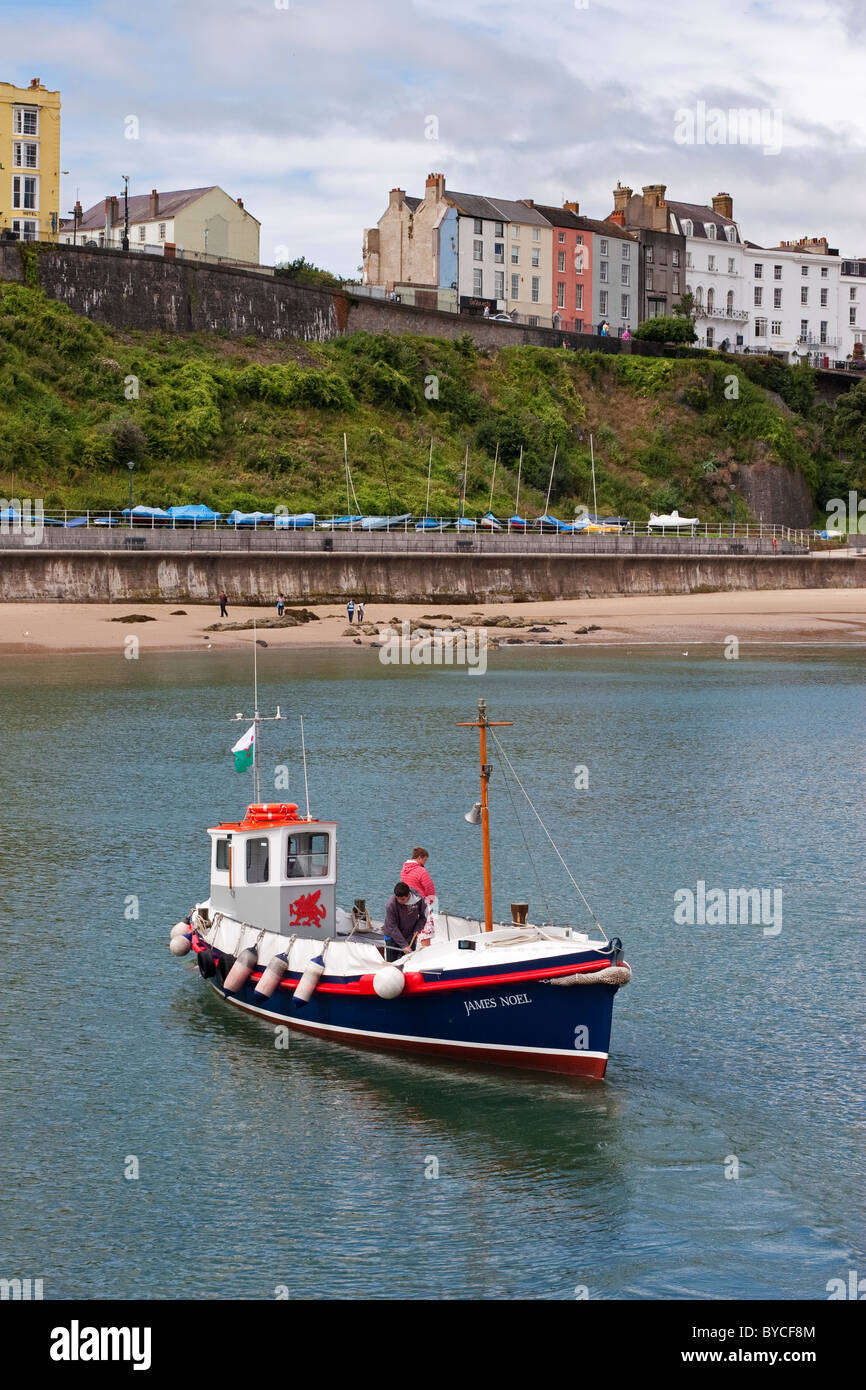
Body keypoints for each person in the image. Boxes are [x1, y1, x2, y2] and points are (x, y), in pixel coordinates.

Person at [383, 882, 427, 961]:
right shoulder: (391, 905)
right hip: (392, 936)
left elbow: (423, 917)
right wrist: (404, 945)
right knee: (393, 964)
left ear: (409, 895)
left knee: (409, 962)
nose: (400, 901)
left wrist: (417, 929)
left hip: (410, 935)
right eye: (397, 898)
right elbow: (392, 927)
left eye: (402, 899)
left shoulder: (419, 900)